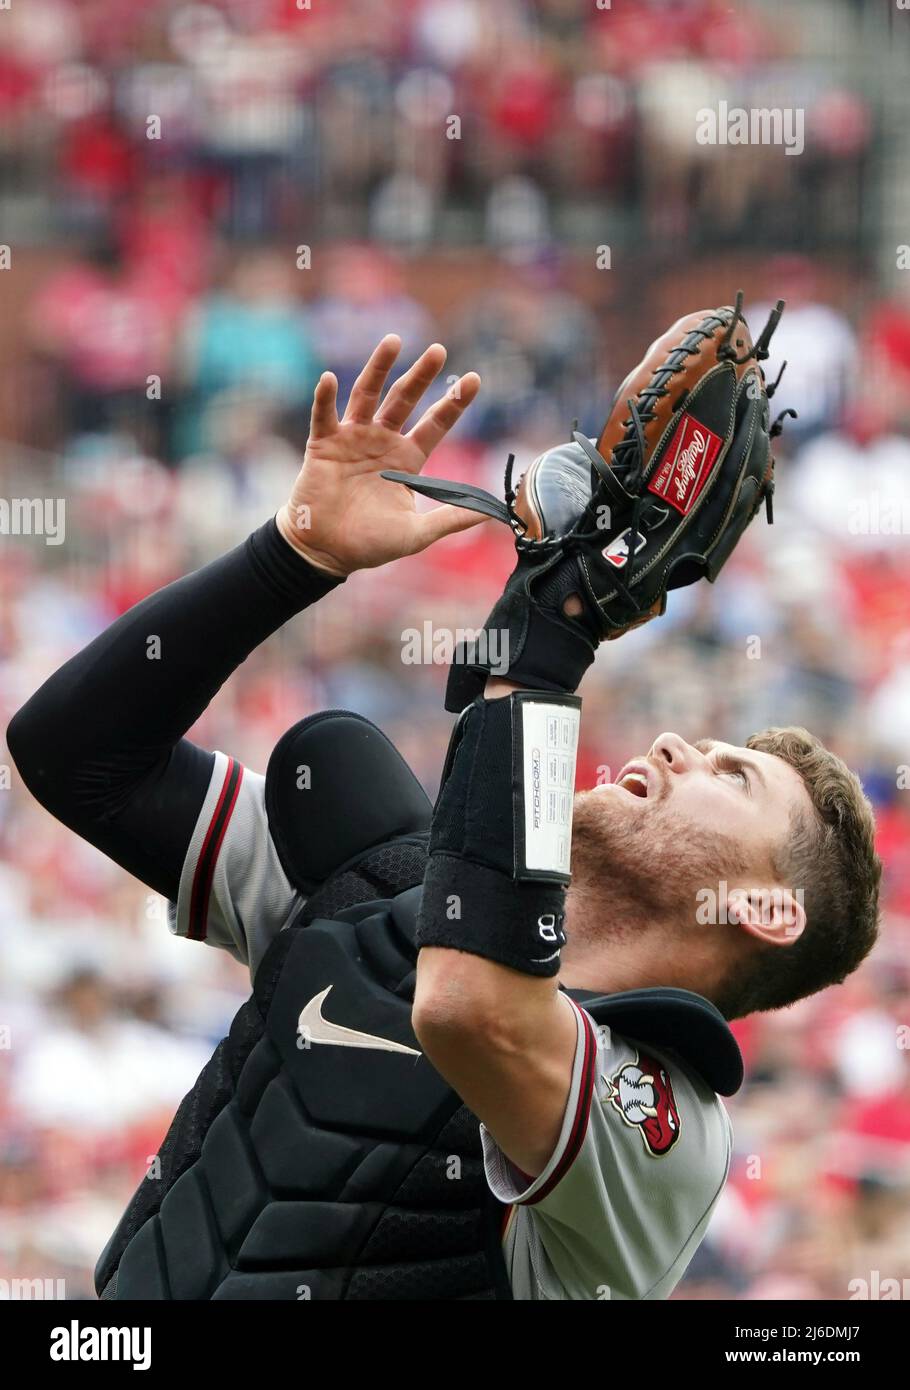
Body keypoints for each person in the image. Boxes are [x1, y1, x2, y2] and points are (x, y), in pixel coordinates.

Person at [7, 337, 882, 1301]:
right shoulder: (386, 888)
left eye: (733, 777)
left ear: (766, 909)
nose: (679, 746)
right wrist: (293, 555)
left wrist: (553, 636)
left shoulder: (668, 1123)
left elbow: (475, 1010)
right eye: (707, 743)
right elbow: (74, 755)